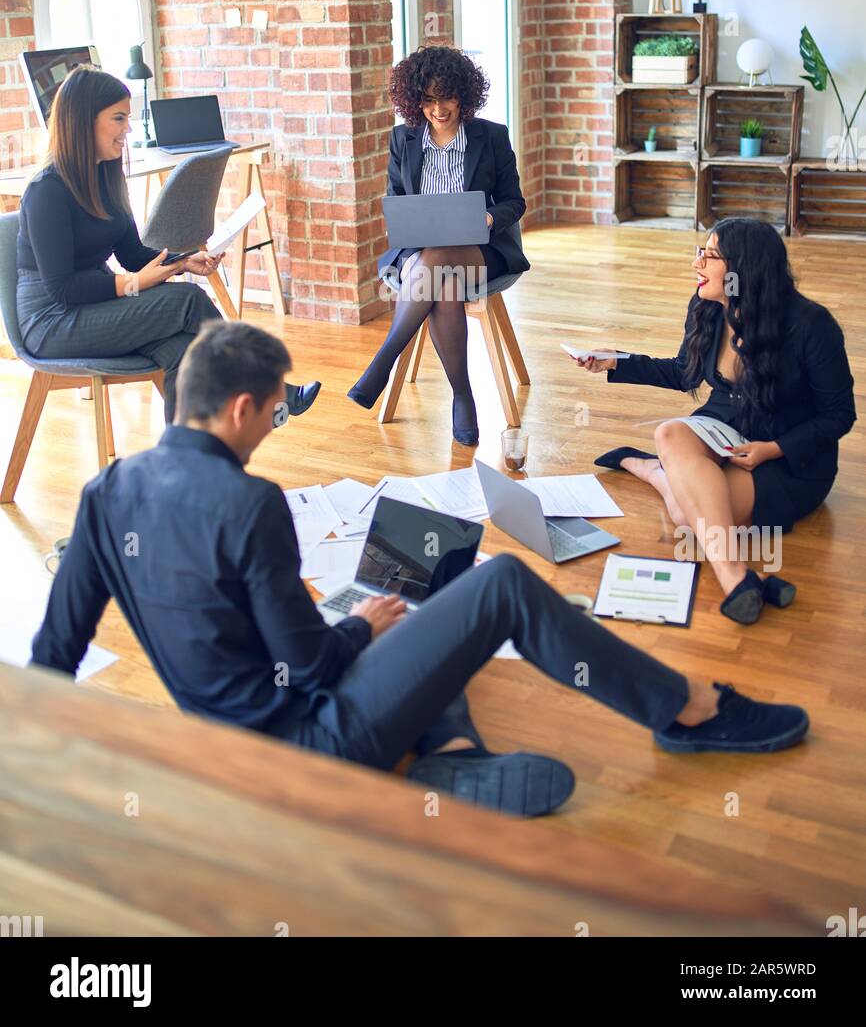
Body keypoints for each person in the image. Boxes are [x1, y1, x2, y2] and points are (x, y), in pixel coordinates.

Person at [32, 319, 810, 821]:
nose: (272, 429)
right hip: (304, 747)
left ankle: (453, 760)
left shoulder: (106, 491)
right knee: (494, 586)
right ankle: (689, 714)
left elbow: (52, 655)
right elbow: (307, 664)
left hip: (230, 747)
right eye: (274, 413)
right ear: (241, 408)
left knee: (430, 584)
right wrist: (357, 625)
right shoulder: (249, 502)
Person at [575, 218, 856, 625]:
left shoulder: (811, 326)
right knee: (670, 432)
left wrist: (771, 450)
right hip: (722, 426)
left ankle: (654, 470)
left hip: (789, 456)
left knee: (690, 517)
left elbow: (839, 416)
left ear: (744, 268)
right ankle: (736, 577)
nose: (698, 264)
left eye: (710, 255)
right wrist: (615, 360)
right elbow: (682, 372)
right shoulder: (706, 306)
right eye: (699, 252)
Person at [15, 65, 319, 424]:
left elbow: (131, 254)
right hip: (51, 321)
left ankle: (184, 463)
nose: (127, 129)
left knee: (183, 351)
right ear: (83, 121)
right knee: (187, 300)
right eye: (118, 118)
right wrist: (136, 284)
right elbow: (63, 288)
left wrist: (182, 261)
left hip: (93, 304)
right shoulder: (46, 192)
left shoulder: (106, 176)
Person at [347, 45, 530, 446]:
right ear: (415, 102)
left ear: (463, 95)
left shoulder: (492, 137)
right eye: (428, 100)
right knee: (442, 279)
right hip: (421, 254)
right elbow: (396, 201)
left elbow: (515, 201)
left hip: (482, 251)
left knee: (442, 260)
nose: (438, 109)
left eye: (446, 97)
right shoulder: (403, 139)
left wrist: (488, 217)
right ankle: (463, 396)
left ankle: (382, 362)